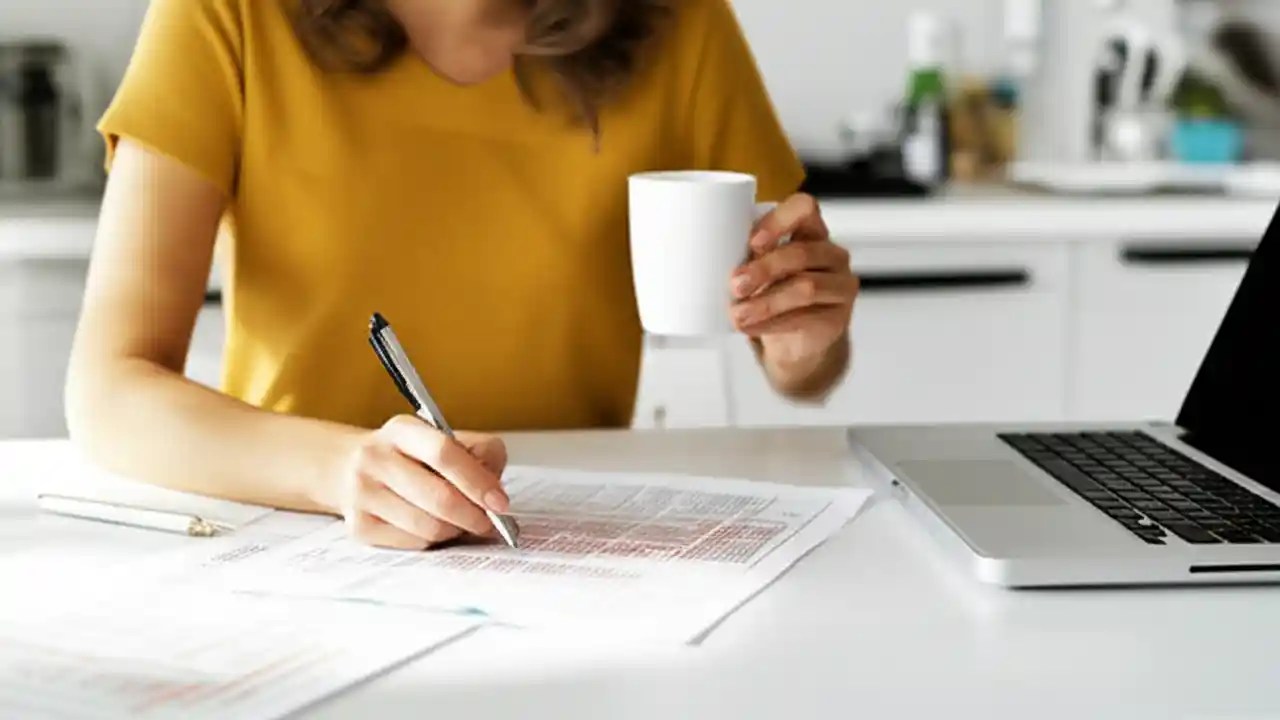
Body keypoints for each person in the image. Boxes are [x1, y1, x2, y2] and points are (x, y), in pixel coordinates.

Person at [65, 0, 860, 550]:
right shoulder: (226, 14)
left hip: (570, 536)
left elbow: (803, 372)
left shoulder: (679, 23)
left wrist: (802, 342)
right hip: (301, 527)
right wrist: (341, 470)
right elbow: (108, 389)